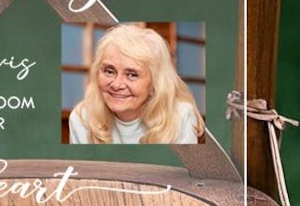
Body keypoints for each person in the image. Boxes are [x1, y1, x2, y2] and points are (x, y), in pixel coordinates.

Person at [68, 24, 204, 145]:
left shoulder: (181, 116)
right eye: (109, 71)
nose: (116, 84)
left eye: (132, 75)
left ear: (155, 84)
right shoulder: (82, 118)